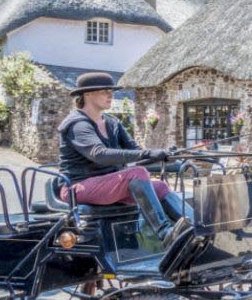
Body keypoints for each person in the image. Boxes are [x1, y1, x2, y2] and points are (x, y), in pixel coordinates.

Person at [57, 72, 193, 247]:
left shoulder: (112, 123)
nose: (110, 95)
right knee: (137, 174)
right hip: (78, 186)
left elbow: (135, 152)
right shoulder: (77, 124)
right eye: (105, 91)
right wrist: (147, 154)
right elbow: (99, 154)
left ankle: (195, 227)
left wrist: (165, 155)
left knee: (160, 187)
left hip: (108, 185)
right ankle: (165, 232)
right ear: (87, 94)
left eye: (111, 91)